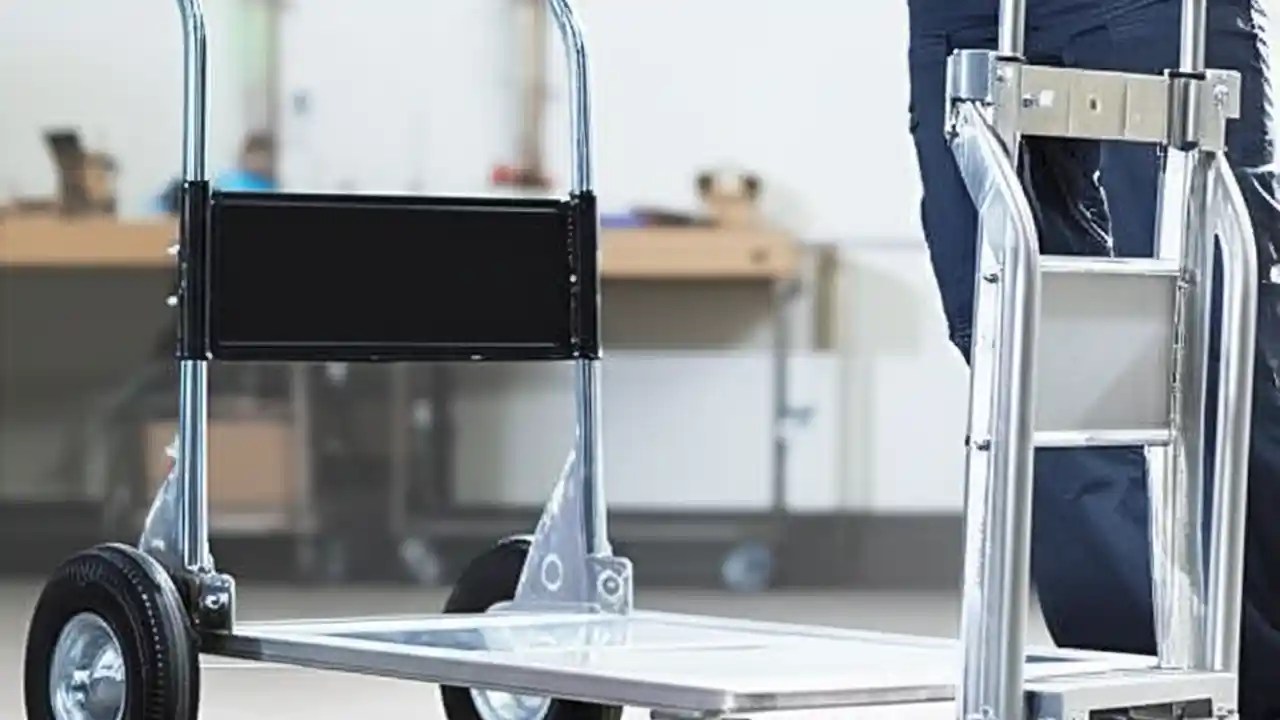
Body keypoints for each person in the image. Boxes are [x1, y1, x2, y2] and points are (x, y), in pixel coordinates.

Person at [906, 0, 1279, 717]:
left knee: (1219, 342)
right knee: (1013, 344)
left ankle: (1253, 685)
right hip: (966, 12)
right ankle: (1142, 686)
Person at [155, 131, 276, 213]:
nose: (260, 160)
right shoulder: (229, 180)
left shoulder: (270, 186)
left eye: (264, 155)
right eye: (255, 154)